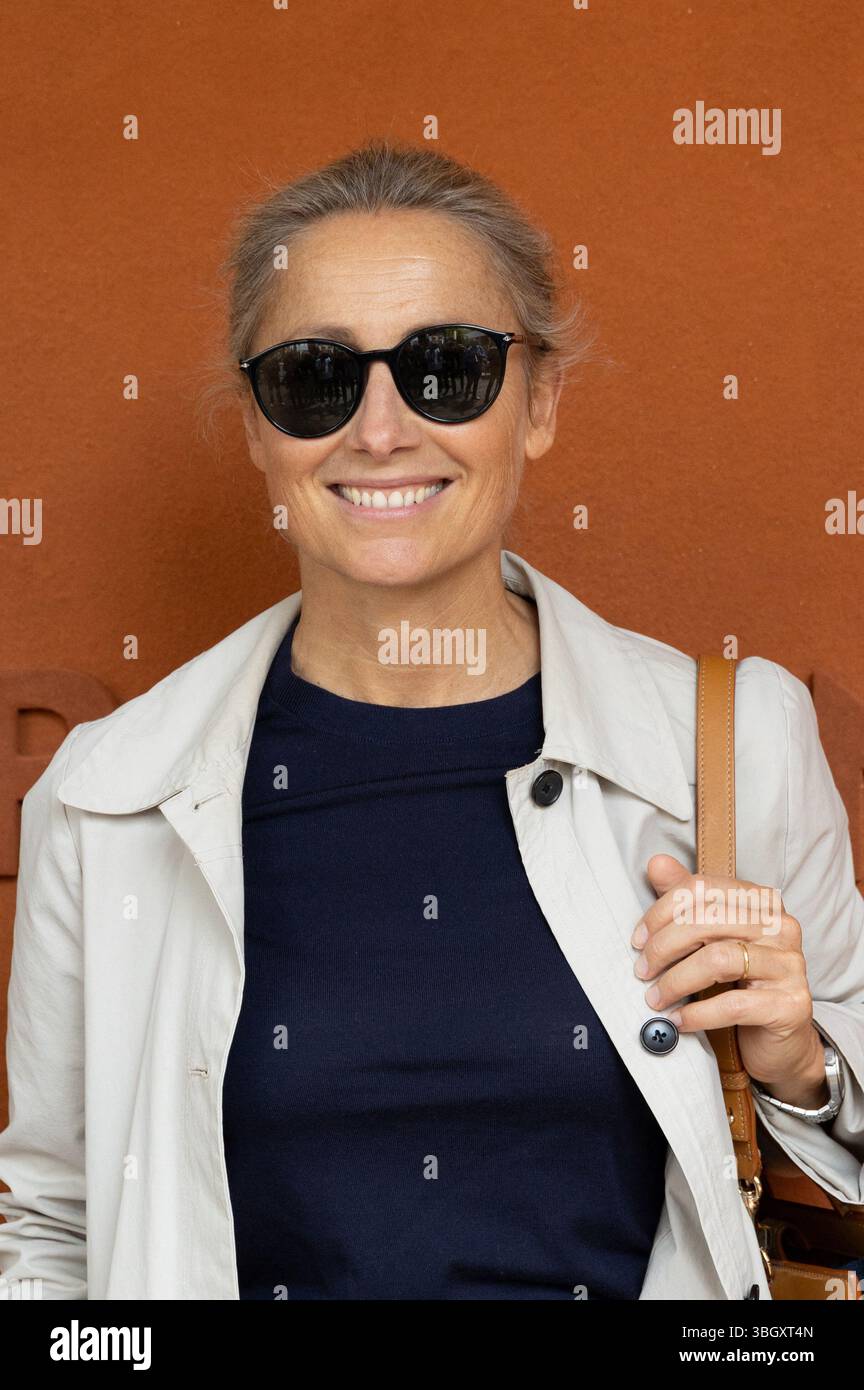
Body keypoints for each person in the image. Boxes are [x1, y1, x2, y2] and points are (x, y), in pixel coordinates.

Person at [1, 138, 862, 1301]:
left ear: (541, 402)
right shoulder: (110, 793)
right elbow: (53, 1231)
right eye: (316, 376)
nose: (381, 427)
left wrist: (800, 1067)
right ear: (259, 426)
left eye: (447, 367)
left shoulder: (734, 744)